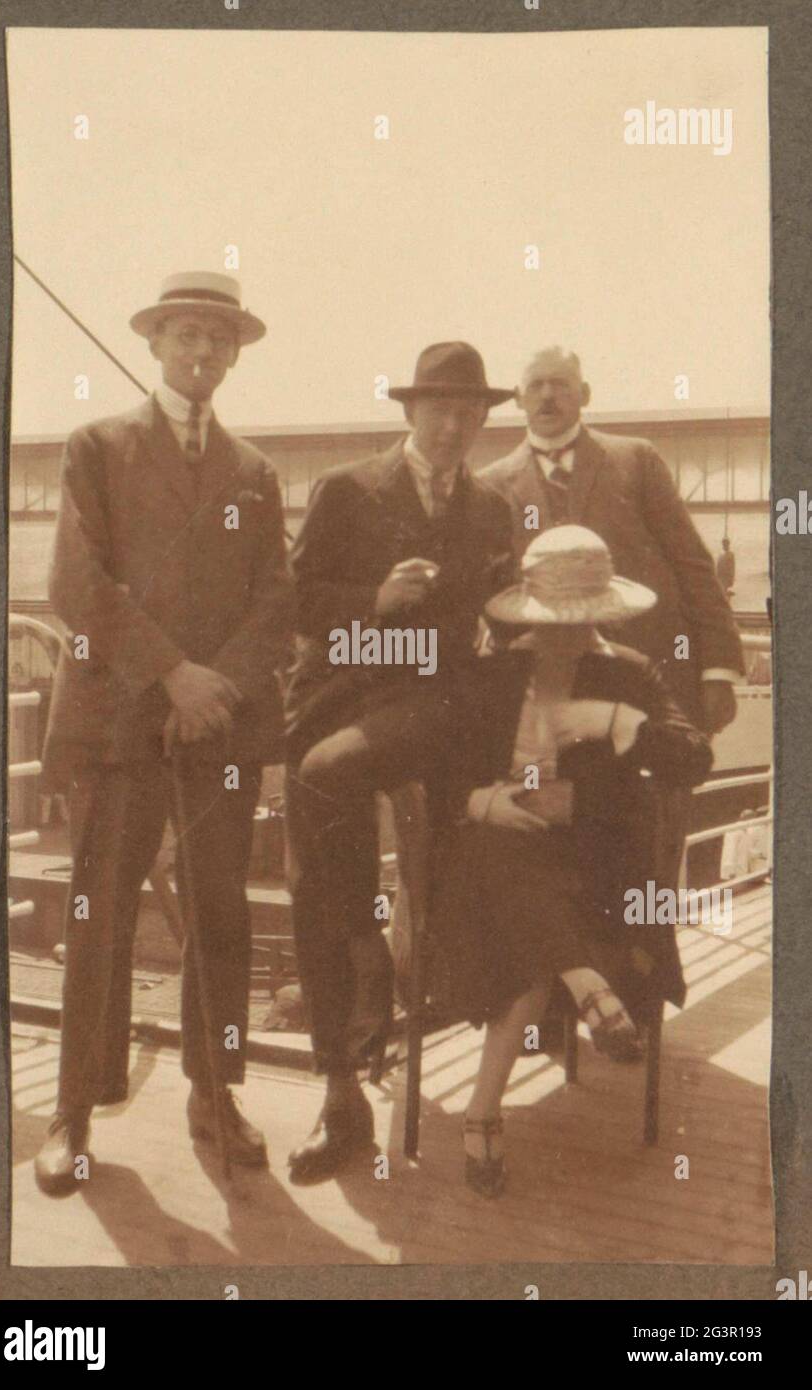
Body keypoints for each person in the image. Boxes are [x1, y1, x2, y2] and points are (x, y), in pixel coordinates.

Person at [34, 271, 293, 1194]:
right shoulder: (96, 447)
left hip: (217, 725)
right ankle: (74, 1107)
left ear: (235, 353)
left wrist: (217, 687)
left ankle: (213, 1093)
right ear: (154, 343)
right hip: (121, 720)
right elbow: (76, 583)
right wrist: (172, 673)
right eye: (187, 334)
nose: (204, 353)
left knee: (220, 915)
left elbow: (276, 599)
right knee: (100, 911)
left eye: (220, 340)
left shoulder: (256, 474)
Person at [284, 341, 515, 1182]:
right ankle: (341, 1082)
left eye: (470, 411)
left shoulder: (492, 508)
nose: (454, 425)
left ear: (483, 419)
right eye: (440, 408)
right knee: (316, 846)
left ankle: (386, 956)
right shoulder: (345, 489)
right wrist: (374, 604)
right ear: (410, 411)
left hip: (438, 707)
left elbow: (501, 614)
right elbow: (299, 605)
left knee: (325, 776)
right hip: (346, 689)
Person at [425, 526, 713, 1198]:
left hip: (591, 867)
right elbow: (437, 777)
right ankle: (588, 987)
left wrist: (621, 722)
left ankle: (483, 1115)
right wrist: (484, 800)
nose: (571, 638)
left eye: (584, 624)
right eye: (558, 625)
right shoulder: (492, 675)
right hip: (496, 855)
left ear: (604, 616)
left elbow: (692, 758)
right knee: (497, 850)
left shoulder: (628, 674)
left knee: (527, 946)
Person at [478, 347, 743, 733]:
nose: (548, 395)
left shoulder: (636, 459)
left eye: (561, 385)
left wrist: (718, 671)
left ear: (585, 394)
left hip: (651, 680)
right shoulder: (491, 486)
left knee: (664, 783)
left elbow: (693, 566)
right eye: (536, 385)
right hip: (550, 696)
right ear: (518, 398)